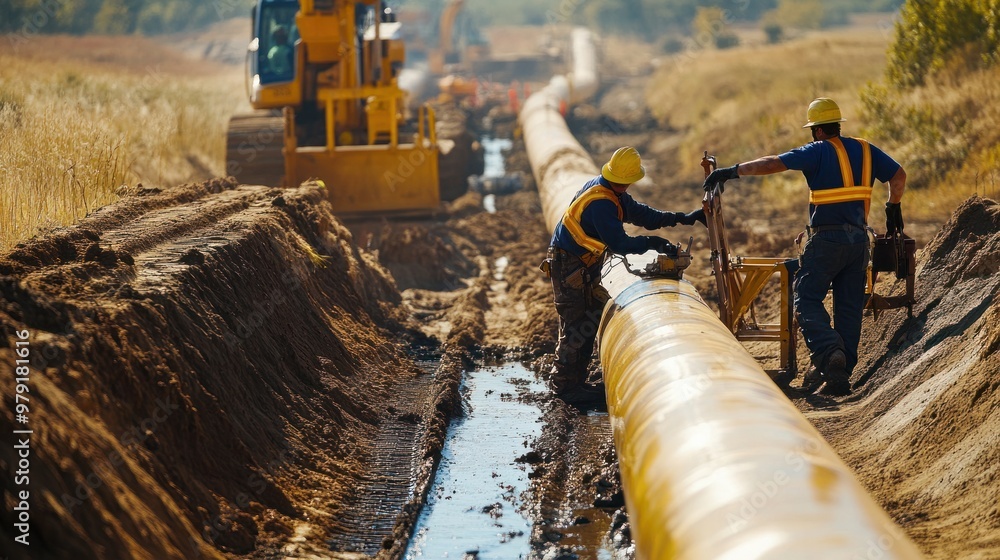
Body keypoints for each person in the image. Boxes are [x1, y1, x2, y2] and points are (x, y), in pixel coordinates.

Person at [703, 98, 906, 396]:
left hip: (826, 241)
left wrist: (731, 171)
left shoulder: (817, 150)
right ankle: (840, 374)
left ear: (818, 131)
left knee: (807, 299)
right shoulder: (865, 148)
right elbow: (898, 176)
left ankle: (828, 349)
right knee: (848, 308)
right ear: (837, 125)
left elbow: (773, 162)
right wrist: (893, 208)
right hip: (859, 242)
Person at [547, 146, 707, 407]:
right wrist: (654, 242)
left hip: (580, 265)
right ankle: (566, 388)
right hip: (569, 267)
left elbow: (644, 215)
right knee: (577, 323)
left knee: (590, 315)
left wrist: (684, 218)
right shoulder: (602, 202)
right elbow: (620, 244)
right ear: (628, 180)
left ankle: (575, 382)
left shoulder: (611, 191)